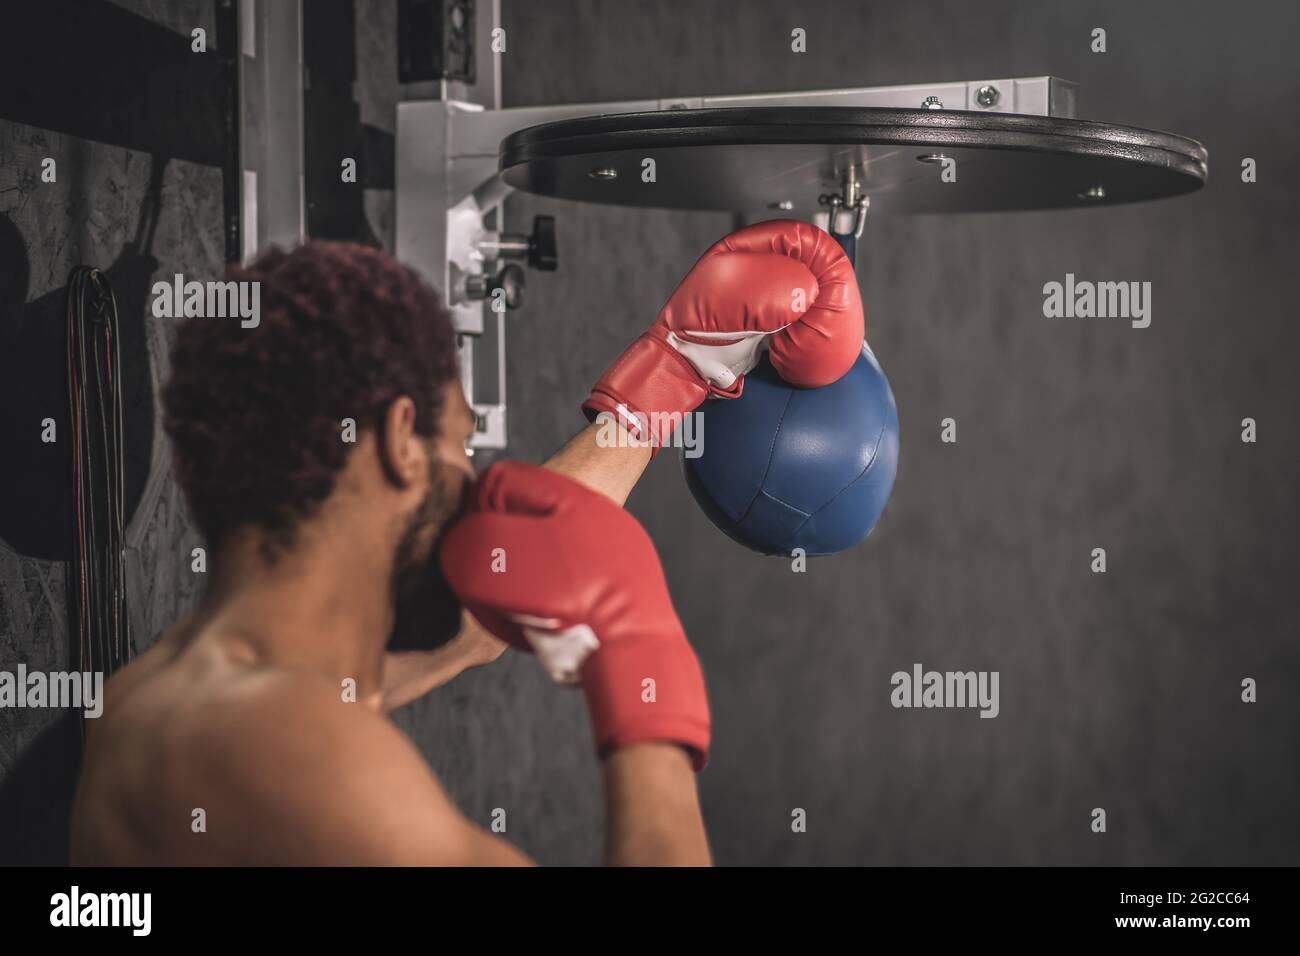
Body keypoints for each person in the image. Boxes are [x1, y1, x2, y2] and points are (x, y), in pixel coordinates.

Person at [69, 220, 862, 865]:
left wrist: (678, 369)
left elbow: (468, 633)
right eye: (462, 445)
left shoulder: (177, 689)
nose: (470, 479)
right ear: (401, 442)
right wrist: (649, 684)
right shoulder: (298, 764)